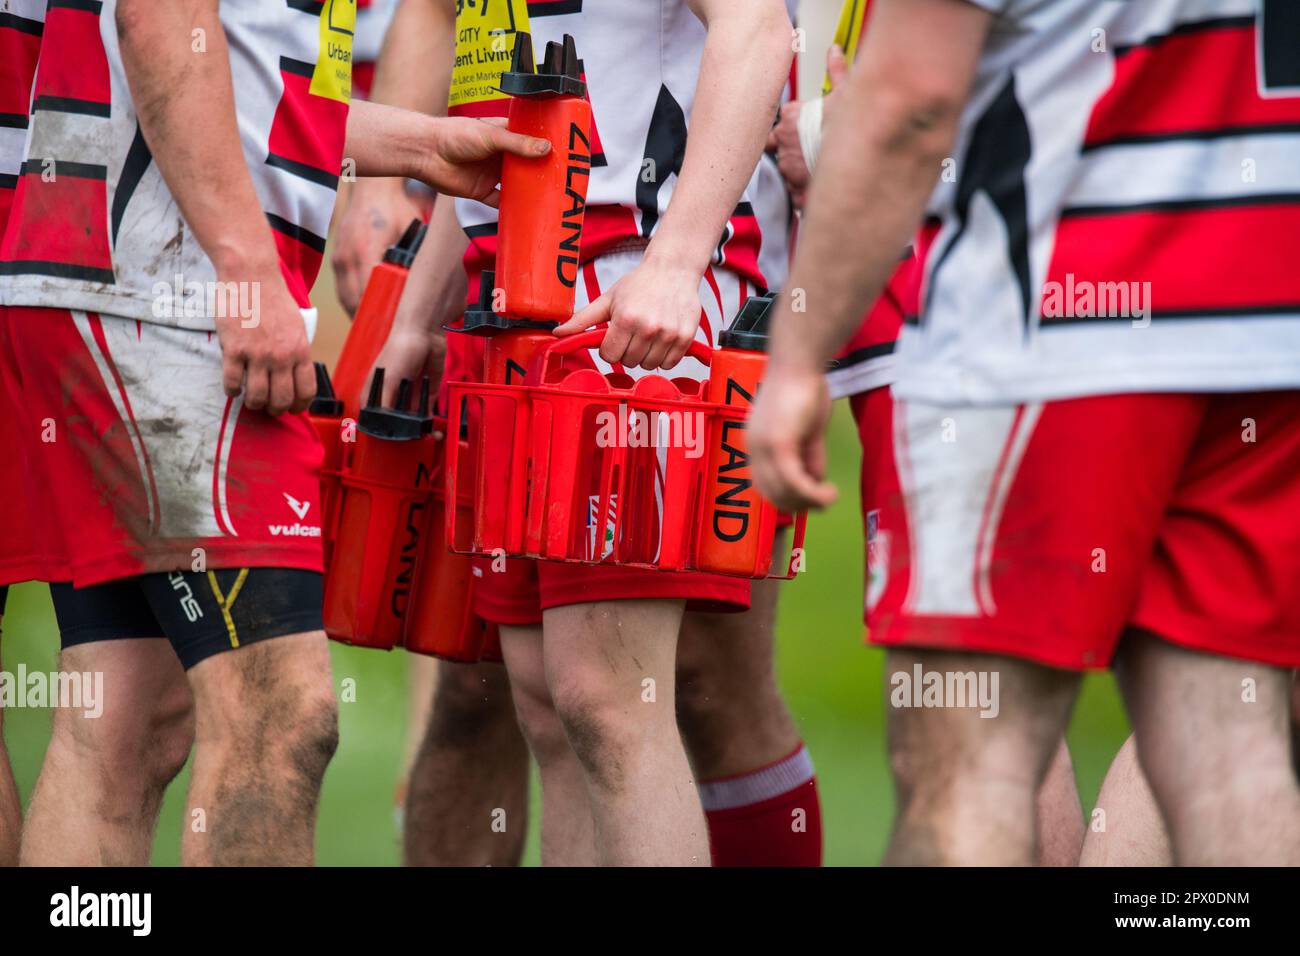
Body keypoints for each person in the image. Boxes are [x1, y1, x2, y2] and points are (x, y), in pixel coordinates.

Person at [750, 0, 1300, 865]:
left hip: (1057, 314)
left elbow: (913, 98)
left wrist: (796, 356)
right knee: (1233, 745)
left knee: (969, 757)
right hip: (1266, 324)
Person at [0, 0, 547, 866]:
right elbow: (158, 19)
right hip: (161, 294)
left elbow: (238, 72)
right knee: (277, 712)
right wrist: (245, 264)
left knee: (123, 719)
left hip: (108, 270)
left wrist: (415, 146)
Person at [336, 0, 797, 866]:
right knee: (549, 708)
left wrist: (675, 262)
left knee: (609, 701)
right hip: (506, 312)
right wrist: (420, 318)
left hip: (628, 306)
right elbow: (492, 120)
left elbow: (758, 26)